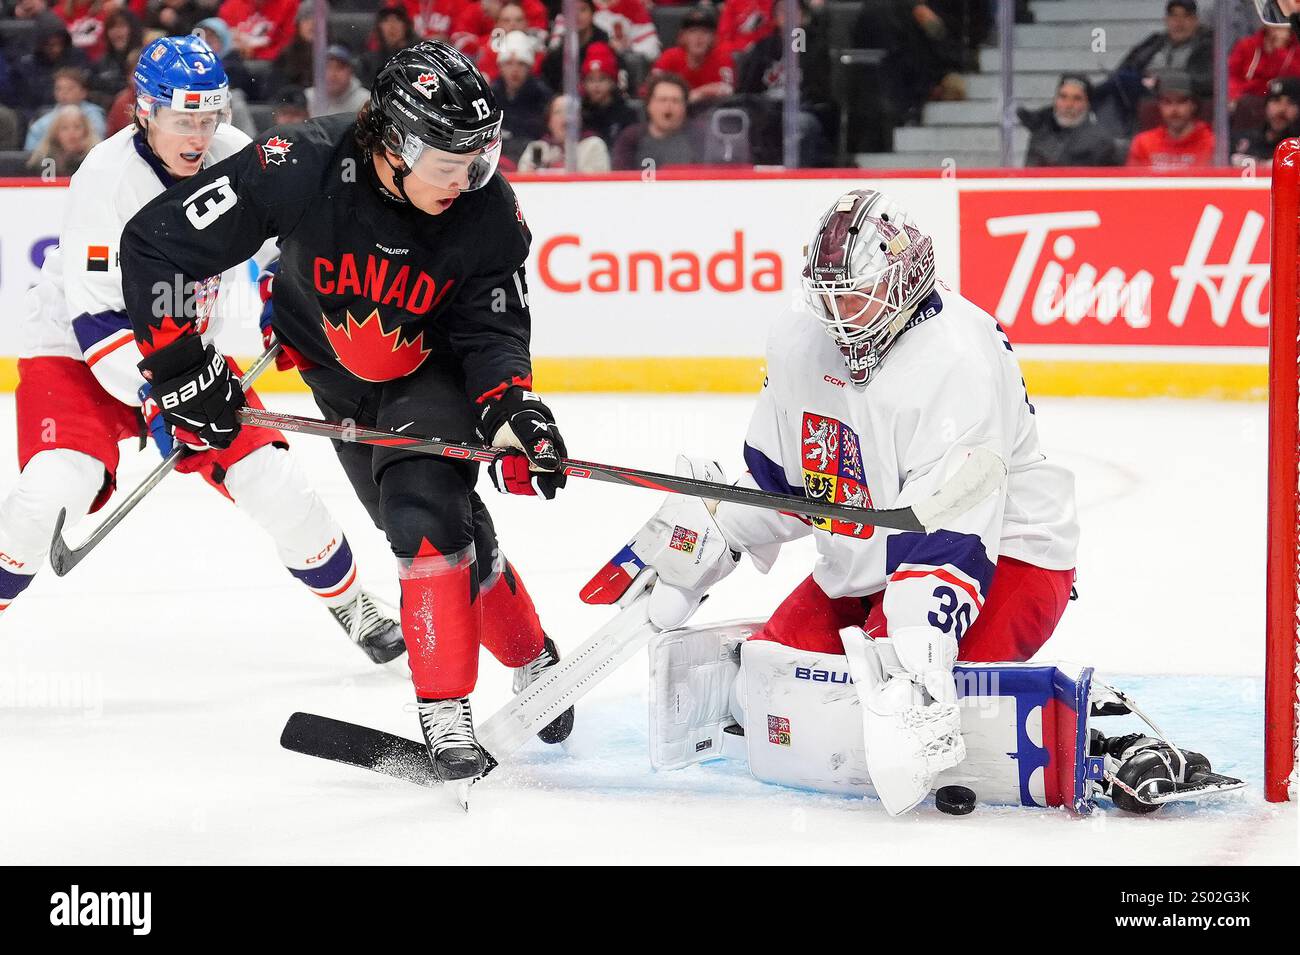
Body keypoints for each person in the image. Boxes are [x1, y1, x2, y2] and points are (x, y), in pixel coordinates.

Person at [118, 40, 574, 782]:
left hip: (430, 373)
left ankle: (444, 716)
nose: (468, 181)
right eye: (448, 163)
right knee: (459, 541)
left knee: (424, 518)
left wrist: (511, 408)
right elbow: (157, 245)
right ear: (395, 142)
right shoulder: (301, 162)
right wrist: (179, 369)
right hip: (334, 376)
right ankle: (533, 655)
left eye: (478, 160)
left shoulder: (487, 210)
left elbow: (492, 327)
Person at [623, 188, 1079, 812]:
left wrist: (916, 632)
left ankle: (1088, 725)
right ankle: (868, 646)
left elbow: (957, 520)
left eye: (855, 292)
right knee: (774, 687)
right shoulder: (800, 340)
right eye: (829, 293)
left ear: (904, 278)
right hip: (869, 560)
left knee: (890, 694)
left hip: (1007, 556)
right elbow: (792, 483)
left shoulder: (957, 356)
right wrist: (711, 535)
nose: (839, 312)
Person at [0, 34, 405, 669]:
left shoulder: (233, 154)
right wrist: (164, 397)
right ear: (145, 111)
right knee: (50, 491)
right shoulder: (104, 181)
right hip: (78, 355)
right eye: (184, 118)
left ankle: (352, 602)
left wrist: (283, 293)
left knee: (273, 480)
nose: (198, 134)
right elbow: (99, 319)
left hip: (185, 350)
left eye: (209, 116)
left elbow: (284, 242)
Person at [1019, 74, 1121, 167]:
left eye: (1077, 98)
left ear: (1088, 104)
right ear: (1055, 100)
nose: (1068, 105)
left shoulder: (1102, 143)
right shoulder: (1040, 136)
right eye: (1063, 97)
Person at [648, 6, 734, 107]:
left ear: (713, 38)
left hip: (710, 112)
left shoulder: (722, 58)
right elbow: (653, 88)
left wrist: (699, 93)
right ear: (682, 37)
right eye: (692, 31)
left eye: (705, 32)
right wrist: (684, 96)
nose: (699, 37)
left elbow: (728, 89)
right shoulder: (669, 57)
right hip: (674, 110)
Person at [611, 72, 701, 169]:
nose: (668, 106)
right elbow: (621, 177)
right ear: (649, 105)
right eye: (662, 100)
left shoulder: (699, 137)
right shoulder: (631, 138)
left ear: (685, 106)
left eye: (675, 100)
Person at [1126, 71, 1214, 168]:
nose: (1174, 110)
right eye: (1167, 102)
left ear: (1194, 105)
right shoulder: (1143, 143)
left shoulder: (1212, 144)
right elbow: (1134, 181)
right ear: (1159, 106)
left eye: (1181, 101)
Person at [491, 30, 551, 164]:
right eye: (509, 63)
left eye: (521, 64)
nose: (515, 70)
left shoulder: (541, 96)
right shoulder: (490, 95)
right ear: (500, 67)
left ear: (529, 68)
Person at [517, 92, 611, 171]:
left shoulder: (593, 145)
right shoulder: (537, 148)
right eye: (558, 112)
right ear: (549, 121)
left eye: (570, 112)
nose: (565, 116)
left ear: (580, 119)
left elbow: (596, 184)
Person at [24, 66, 106, 149]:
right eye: (59, 89)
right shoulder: (41, 124)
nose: (64, 93)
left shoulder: (94, 116)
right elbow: (31, 153)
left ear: (83, 92)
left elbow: (98, 143)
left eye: (70, 88)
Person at [1233, 74, 1300, 165]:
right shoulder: (1243, 142)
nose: (1282, 109)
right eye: (1276, 101)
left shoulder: (1297, 148)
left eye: (1291, 102)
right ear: (1266, 105)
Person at [580, 41, 637, 147]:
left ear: (612, 82)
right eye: (591, 80)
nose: (596, 85)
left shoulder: (626, 114)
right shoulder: (580, 114)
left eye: (602, 79)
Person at [25, 101, 97, 173]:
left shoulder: (96, 158)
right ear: (55, 133)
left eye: (77, 127)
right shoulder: (44, 159)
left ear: (86, 131)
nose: (71, 133)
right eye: (64, 128)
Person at [218, 0, 300, 62]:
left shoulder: (288, 4)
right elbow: (222, 42)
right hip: (236, 62)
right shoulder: (231, 6)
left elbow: (288, 42)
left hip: (274, 64)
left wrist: (256, 53)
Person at [306, 45, 370, 117]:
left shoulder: (365, 101)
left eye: (339, 67)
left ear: (351, 72)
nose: (332, 74)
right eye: (327, 67)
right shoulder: (308, 97)